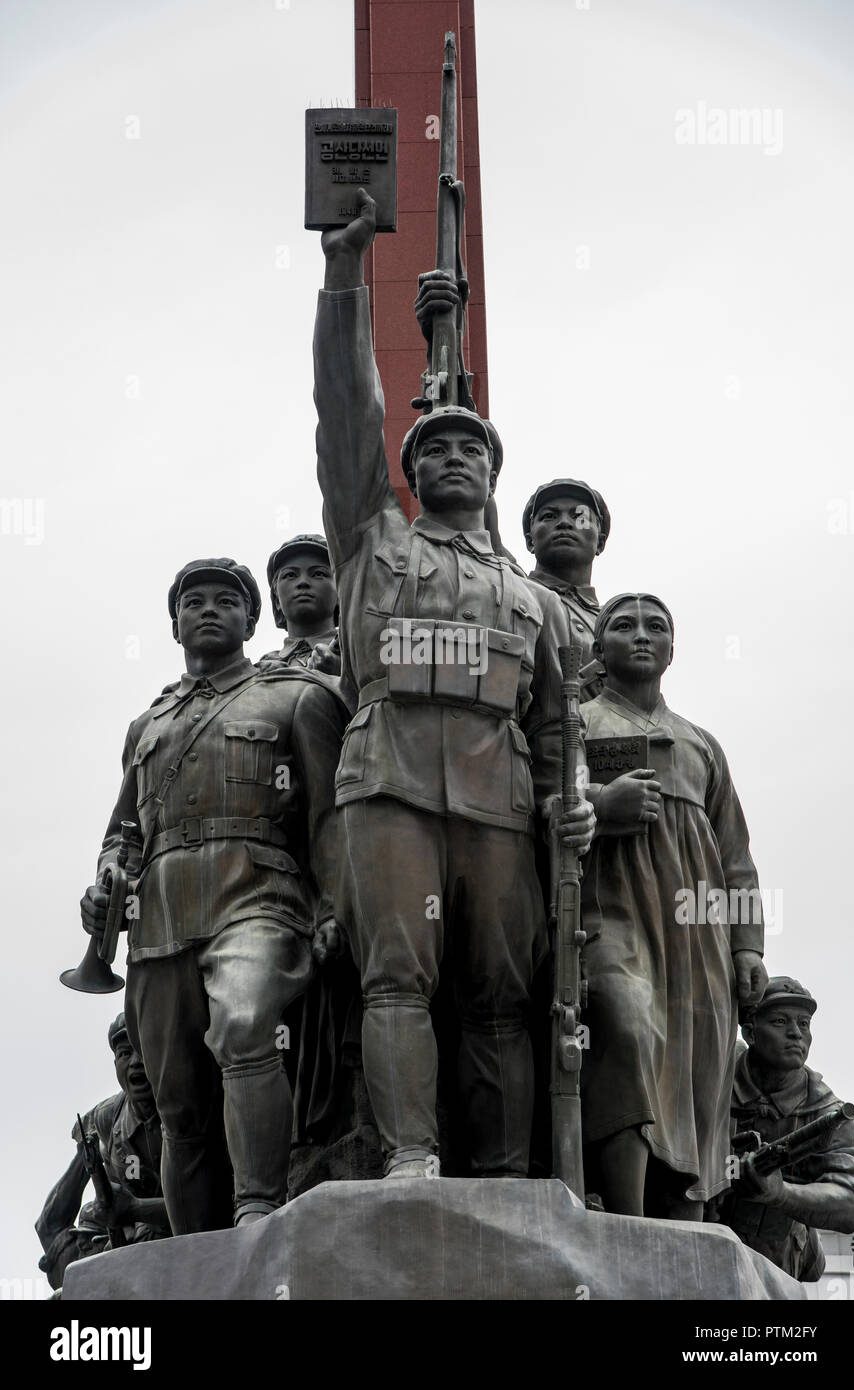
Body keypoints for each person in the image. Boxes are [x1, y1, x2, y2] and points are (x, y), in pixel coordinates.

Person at [311, 189, 595, 1179]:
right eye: (435, 446)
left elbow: (560, 726)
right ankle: (411, 1159)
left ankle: (512, 1176)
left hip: (503, 802)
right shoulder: (371, 545)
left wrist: (575, 806)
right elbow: (346, 415)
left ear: (493, 473)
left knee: (504, 995)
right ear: (411, 471)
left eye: (472, 447)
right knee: (396, 978)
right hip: (389, 782)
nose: (455, 456)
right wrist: (346, 273)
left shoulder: (539, 601)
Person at [79, 558, 346, 1230]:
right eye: (192, 601)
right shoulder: (147, 725)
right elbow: (124, 832)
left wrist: (335, 904)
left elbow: (327, 818)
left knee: (245, 1024)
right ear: (173, 624)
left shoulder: (295, 697)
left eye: (226, 601)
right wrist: (106, 879)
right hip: (161, 913)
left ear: (252, 620)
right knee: (177, 1101)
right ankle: (196, 1248)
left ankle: (259, 1207)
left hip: (259, 892)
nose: (207, 610)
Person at [578, 593, 767, 1218]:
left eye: (655, 627)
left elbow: (737, 857)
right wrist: (601, 810)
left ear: (671, 650)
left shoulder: (701, 744)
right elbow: (540, 817)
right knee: (627, 1027)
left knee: (697, 1067)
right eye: (623, 625)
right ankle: (625, 1217)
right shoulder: (577, 727)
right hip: (613, 912)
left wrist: (747, 946)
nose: (640, 635)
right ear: (598, 646)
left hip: (698, 933)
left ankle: (686, 1230)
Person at [720, 977, 854, 1280]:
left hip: (774, 1257)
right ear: (749, 1031)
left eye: (804, 1023)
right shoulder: (714, 1071)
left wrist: (779, 1193)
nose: (796, 1033)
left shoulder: (825, 1109)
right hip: (706, 1233)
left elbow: (850, 1205)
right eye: (779, 1021)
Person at [35, 1014, 166, 1290]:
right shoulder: (105, 1118)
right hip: (129, 1242)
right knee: (66, 1257)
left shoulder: (191, 1108)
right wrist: (87, 1155)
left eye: (144, 1050)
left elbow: (209, 1205)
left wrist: (136, 1210)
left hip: (187, 1235)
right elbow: (49, 1225)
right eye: (124, 1053)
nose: (135, 1062)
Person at [521, 480, 610, 699]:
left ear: (600, 542)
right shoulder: (512, 594)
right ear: (530, 540)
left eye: (580, 517)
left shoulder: (613, 625)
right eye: (549, 516)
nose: (564, 523)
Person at [259, 534, 339, 670]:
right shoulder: (260, 670)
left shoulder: (358, 655)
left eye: (318, 574)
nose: (303, 582)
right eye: (290, 575)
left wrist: (345, 675)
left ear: (340, 592)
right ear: (276, 597)